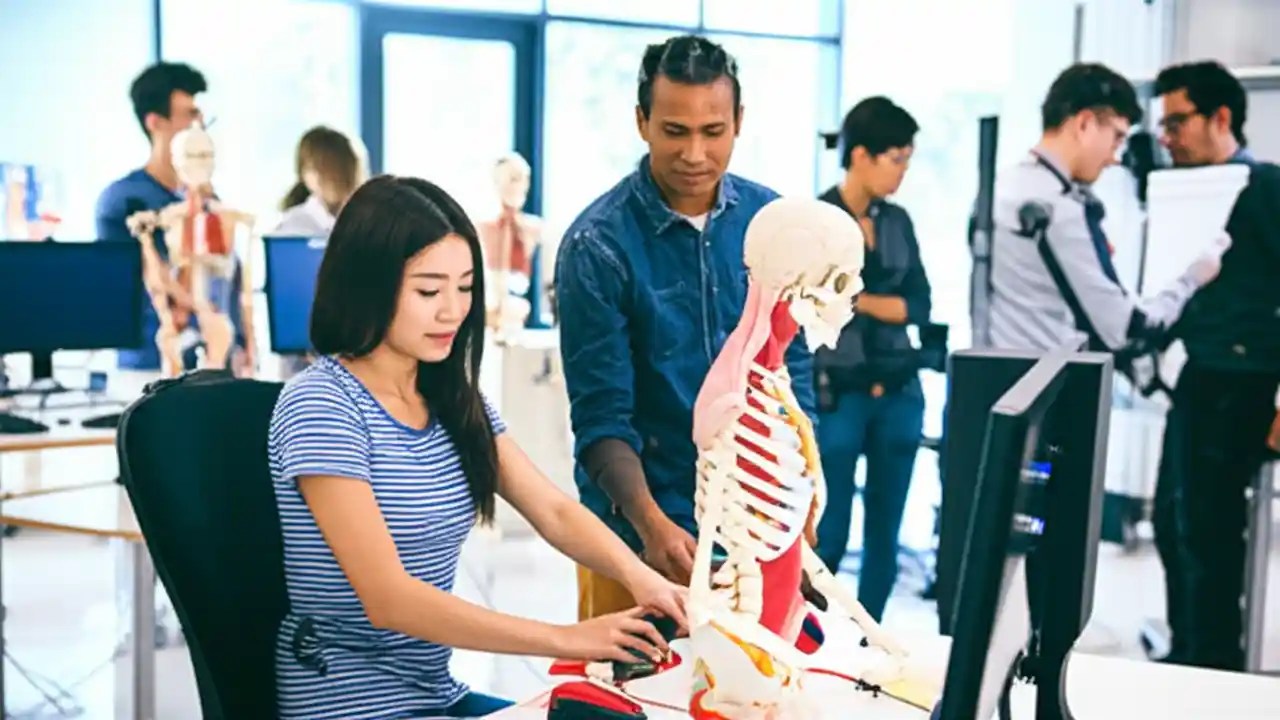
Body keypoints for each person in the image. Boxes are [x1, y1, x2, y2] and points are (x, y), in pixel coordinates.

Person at [269, 175, 687, 720]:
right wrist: (569, 638)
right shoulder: (322, 405)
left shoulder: (450, 399)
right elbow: (387, 597)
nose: (453, 311)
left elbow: (555, 511)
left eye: (465, 287)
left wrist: (645, 580)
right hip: (347, 705)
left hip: (433, 695)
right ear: (367, 286)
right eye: (428, 290)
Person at [555, 34, 817, 621]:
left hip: (753, 529)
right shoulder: (597, 245)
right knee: (630, 702)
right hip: (634, 538)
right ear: (642, 121)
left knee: (746, 698)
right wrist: (651, 524)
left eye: (712, 131)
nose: (695, 154)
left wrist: (798, 502)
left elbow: (791, 380)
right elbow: (601, 418)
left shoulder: (772, 226)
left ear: (739, 122)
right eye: (675, 131)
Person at [1150, 60, 1280, 671]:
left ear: (1220, 117)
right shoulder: (1180, 195)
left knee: (1212, 539)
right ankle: (1189, 655)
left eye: (1178, 122)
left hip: (1246, 384)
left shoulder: (1267, 188)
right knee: (1177, 528)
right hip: (1196, 378)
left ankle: (1213, 670)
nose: (1168, 138)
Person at [984, 63, 1227, 356]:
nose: (1114, 158)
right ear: (1085, 124)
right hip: (1049, 389)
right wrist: (1192, 278)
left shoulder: (1000, 188)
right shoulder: (1059, 208)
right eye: (1117, 137)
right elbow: (1125, 329)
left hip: (994, 382)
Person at [811, 96, 931, 622]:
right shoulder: (815, 219)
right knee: (828, 529)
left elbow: (921, 305)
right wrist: (887, 306)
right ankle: (810, 637)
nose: (903, 171)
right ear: (861, 154)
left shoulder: (900, 222)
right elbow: (812, 302)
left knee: (885, 529)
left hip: (899, 394)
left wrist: (856, 298)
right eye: (896, 158)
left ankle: (869, 639)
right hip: (838, 395)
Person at [95, 61, 250, 374]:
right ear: (155, 122)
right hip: (149, 367)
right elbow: (145, 279)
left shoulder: (208, 202)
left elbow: (228, 278)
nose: (199, 126)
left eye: (200, 115)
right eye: (189, 115)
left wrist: (242, 343)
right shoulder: (125, 200)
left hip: (214, 362)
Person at [271, 125, 367, 237]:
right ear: (304, 174)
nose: (336, 180)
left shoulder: (370, 223)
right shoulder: (293, 229)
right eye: (329, 169)